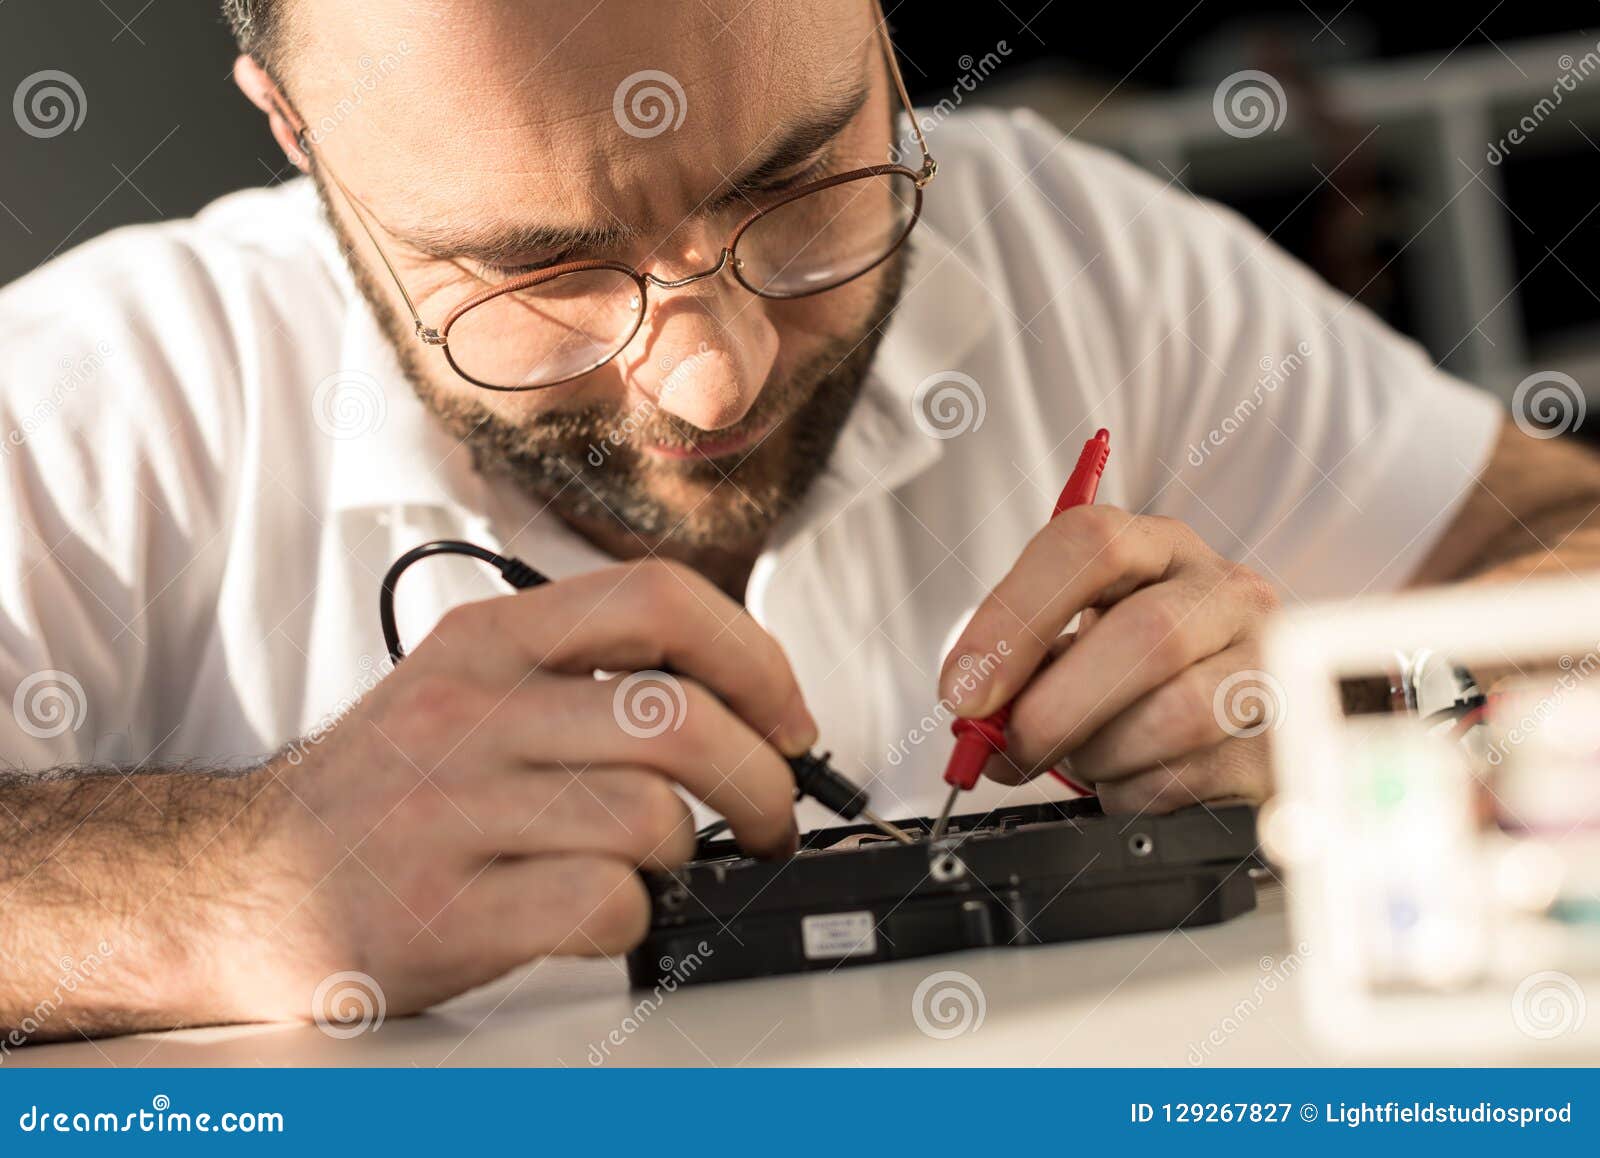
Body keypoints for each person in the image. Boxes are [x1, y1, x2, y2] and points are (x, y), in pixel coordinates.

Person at [3, 0, 1598, 1039]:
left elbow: (1562, 556)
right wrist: (231, 879)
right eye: (540, 269)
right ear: (295, 130)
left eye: (795, 184)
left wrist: (1375, 713)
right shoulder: (91, 402)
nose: (715, 375)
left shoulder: (1077, 250)